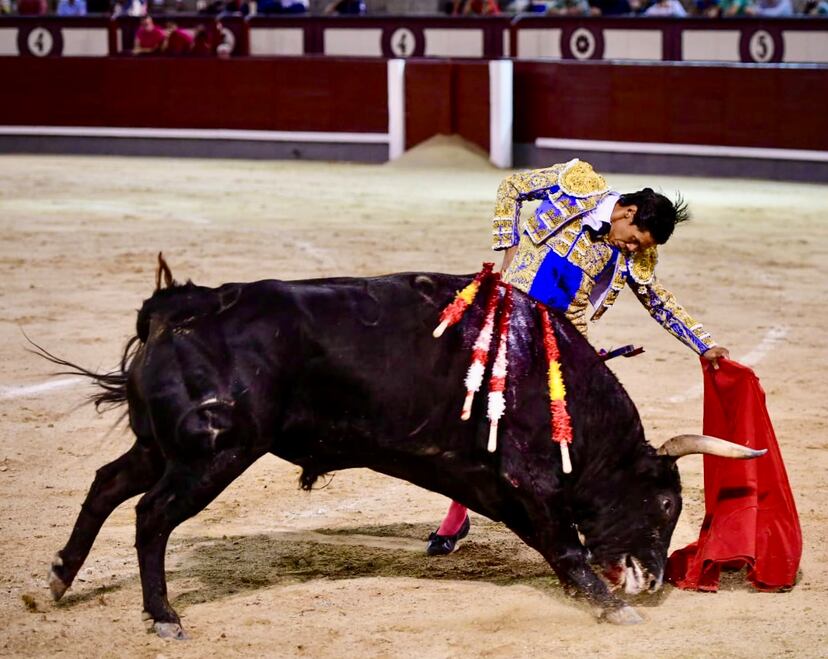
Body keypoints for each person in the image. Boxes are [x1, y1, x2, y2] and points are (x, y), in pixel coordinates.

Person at [426, 159, 730, 556]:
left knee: (563, 434)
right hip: (509, 321)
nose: (633, 248)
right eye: (635, 238)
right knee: (476, 415)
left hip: (563, 344)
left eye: (641, 247)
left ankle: (576, 518)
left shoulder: (635, 255)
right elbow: (513, 186)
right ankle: (457, 515)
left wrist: (703, 344)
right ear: (628, 212)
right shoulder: (578, 184)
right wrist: (509, 248)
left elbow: (658, 301)